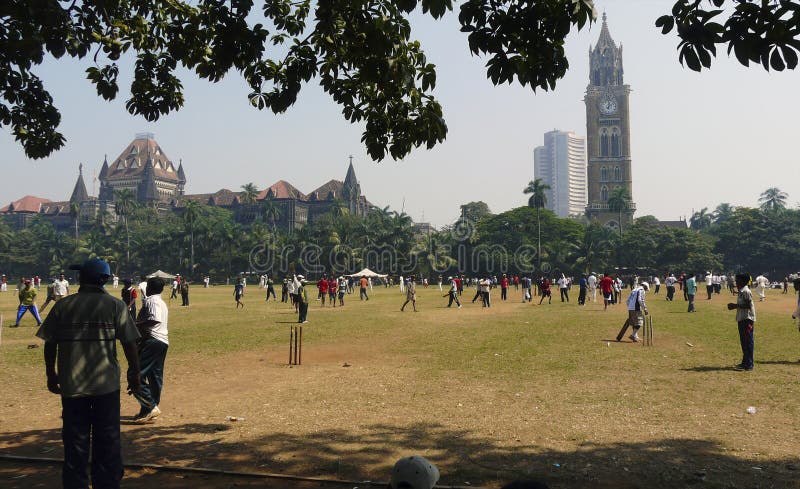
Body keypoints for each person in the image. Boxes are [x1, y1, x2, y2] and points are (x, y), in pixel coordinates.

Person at [36, 258, 141, 489]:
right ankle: (108, 483)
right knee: (108, 440)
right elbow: (129, 343)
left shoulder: (64, 306)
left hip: (73, 386)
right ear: (104, 280)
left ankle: (76, 484)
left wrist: (50, 373)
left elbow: (49, 342)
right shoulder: (116, 306)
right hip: (106, 386)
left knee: (75, 442)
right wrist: (135, 372)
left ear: (83, 279)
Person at [132, 277, 170, 422]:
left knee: (135, 374)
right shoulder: (160, 302)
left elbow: (154, 319)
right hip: (162, 341)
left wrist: (135, 325)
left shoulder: (152, 301)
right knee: (155, 376)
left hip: (153, 341)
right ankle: (148, 409)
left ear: (149, 288)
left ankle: (150, 406)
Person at [728, 273, 756, 371]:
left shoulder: (746, 291)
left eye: (738, 280)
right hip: (742, 318)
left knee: (748, 342)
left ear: (744, 281)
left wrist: (735, 306)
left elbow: (749, 305)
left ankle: (749, 365)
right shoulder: (741, 290)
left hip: (747, 319)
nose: (736, 282)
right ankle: (745, 363)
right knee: (744, 342)